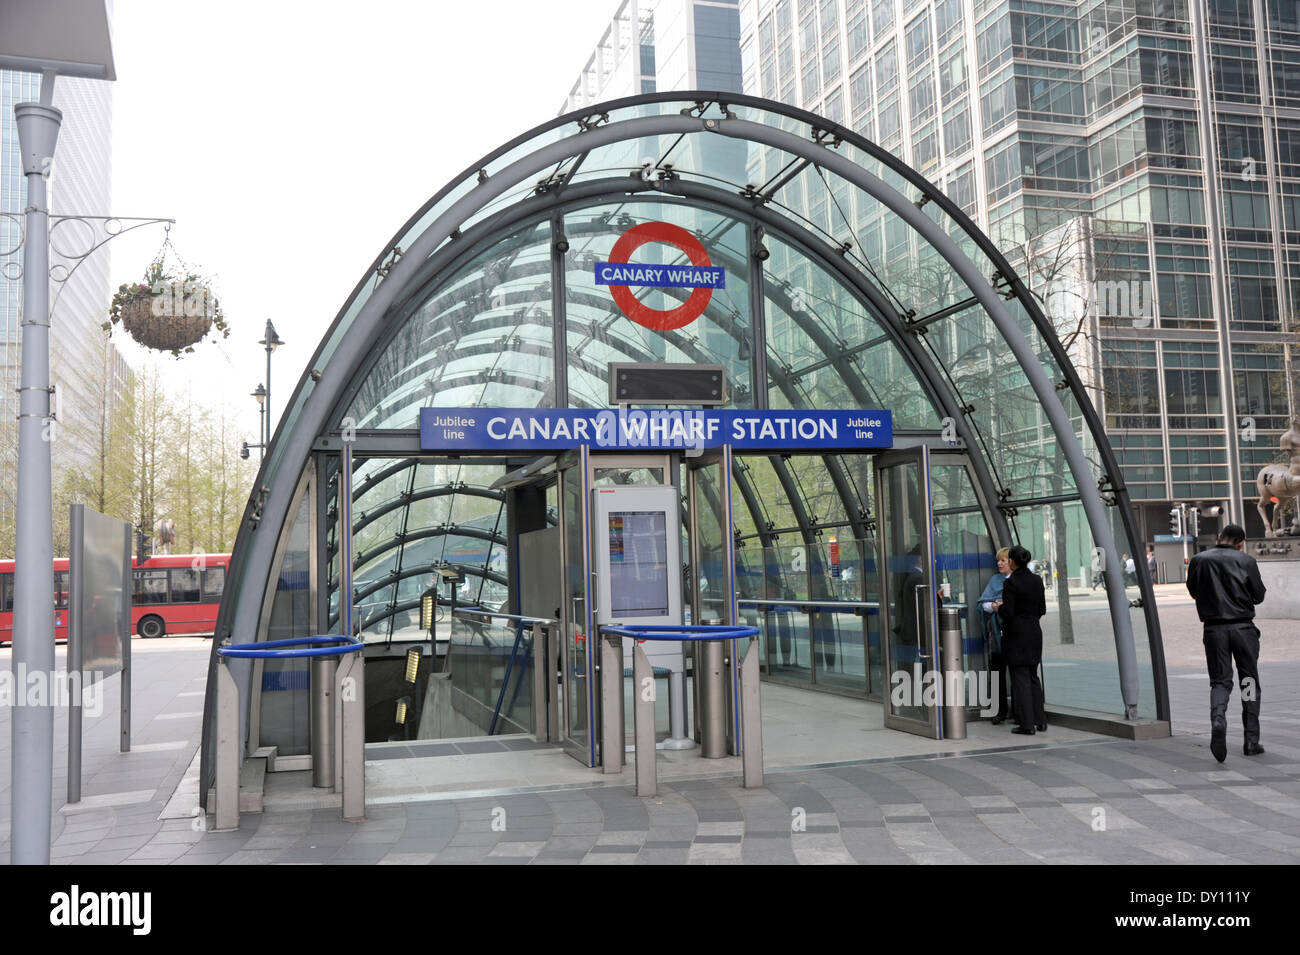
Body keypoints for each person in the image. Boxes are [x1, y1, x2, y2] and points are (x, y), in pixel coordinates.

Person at [1186, 524, 1267, 762]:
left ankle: (1218, 719)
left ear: (1220, 537)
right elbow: (1259, 596)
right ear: (1241, 543)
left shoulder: (1199, 560)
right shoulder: (1246, 560)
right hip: (1243, 629)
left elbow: (1193, 591)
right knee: (1249, 679)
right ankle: (1251, 741)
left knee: (1220, 681)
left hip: (1214, 630)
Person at [994, 545, 1047, 735]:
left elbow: (1008, 612)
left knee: (1020, 678)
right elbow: (1042, 609)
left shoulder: (1011, 583)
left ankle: (1027, 724)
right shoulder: (1036, 580)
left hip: (1016, 633)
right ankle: (1040, 720)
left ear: (1012, 562)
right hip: (1034, 631)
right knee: (1033, 676)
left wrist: (997, 607)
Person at [978, 547, 1012, 724]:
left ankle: (1020, 711)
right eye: (998, 560)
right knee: (997, 672)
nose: (999, 563)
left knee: (1017, 674)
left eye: (1003, 560)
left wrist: (1001, 605)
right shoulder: (995, 580)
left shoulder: (1017, 581)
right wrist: (994, 606)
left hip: (1014, 635)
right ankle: (998, 711)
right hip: (997, 636)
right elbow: (983, 603)